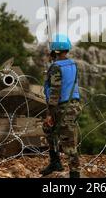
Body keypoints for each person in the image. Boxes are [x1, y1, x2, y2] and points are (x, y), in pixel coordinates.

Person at [41, 34, 82, 178]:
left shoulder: (56, 67)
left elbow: (55, 93)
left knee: (68, 142)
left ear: (54, 51)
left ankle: (75, 173)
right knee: (48, 129)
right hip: (73, 105)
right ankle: (55, 161)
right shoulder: (73, 64)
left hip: (63, 107)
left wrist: (49, 114)